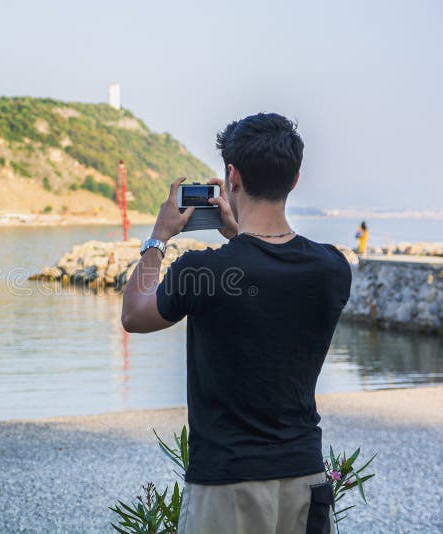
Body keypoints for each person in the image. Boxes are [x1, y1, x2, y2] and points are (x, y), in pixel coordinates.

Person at [121, 113, 351, 534]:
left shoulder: (202, 270)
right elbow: (269, 275)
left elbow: (135, 314)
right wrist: (238, 235)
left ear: (232, 177)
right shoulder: (332, 267)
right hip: (305, 478)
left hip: (227, 485)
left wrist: (157, 238)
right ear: (295, 178)